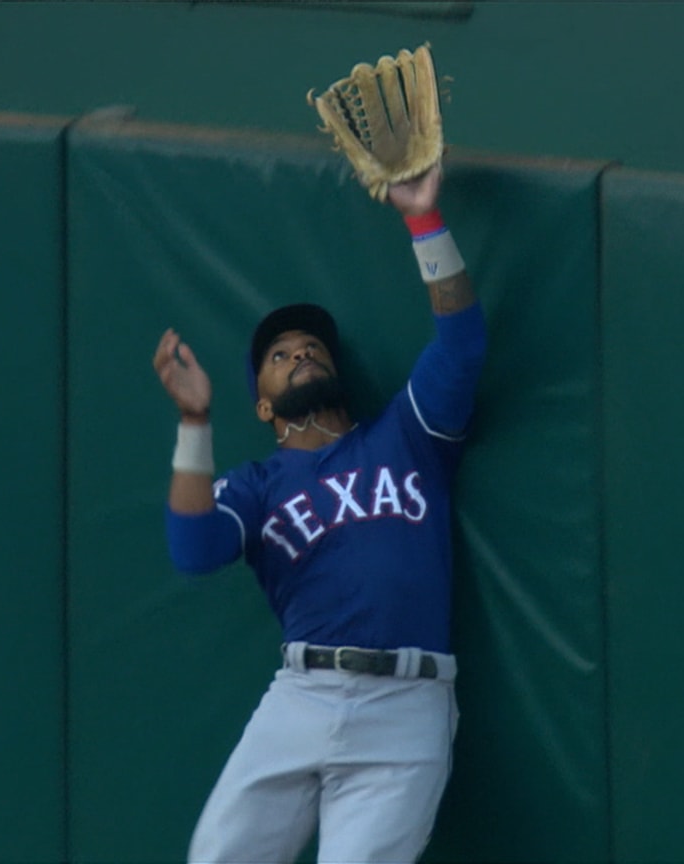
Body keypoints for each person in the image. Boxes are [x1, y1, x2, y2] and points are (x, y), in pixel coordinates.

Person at [151, 161, 485, 864]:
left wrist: (422, 216)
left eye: (312, 348)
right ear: (264, 403)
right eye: (280, 355)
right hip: (302, 696)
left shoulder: (407, 435)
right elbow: (192, 550)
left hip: (408, 702)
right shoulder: (257, 486)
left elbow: (462, 343)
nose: (301, 352)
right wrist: (193, 419)